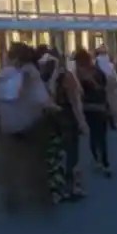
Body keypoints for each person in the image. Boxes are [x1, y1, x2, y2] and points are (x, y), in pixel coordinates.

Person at [0, 42, 52, 210]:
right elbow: (40, 97)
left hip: (8, 124)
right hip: (30, 122)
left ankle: (12, 196)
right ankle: (40, 196)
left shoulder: (5, 74)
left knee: (12, 161)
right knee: (35, 159)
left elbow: (0, 97)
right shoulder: (30, 73)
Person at [42, 51, 87, 202]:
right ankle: (72, 186)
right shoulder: (67, 77)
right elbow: (75, 101)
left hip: (54, 119)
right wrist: (82, 122)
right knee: (72, 153)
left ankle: (57, 187)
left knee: (57, 153)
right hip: (68, 117)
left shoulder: (48, 79)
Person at [75, 49, 113, 177]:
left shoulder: (79, 75)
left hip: (88, 107)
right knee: (102, 135)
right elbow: (105, 86)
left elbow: (79, 92)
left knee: (93, 134)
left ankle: (97, 159)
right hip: (100, 106)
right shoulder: (98, 72)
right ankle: (105, 161)